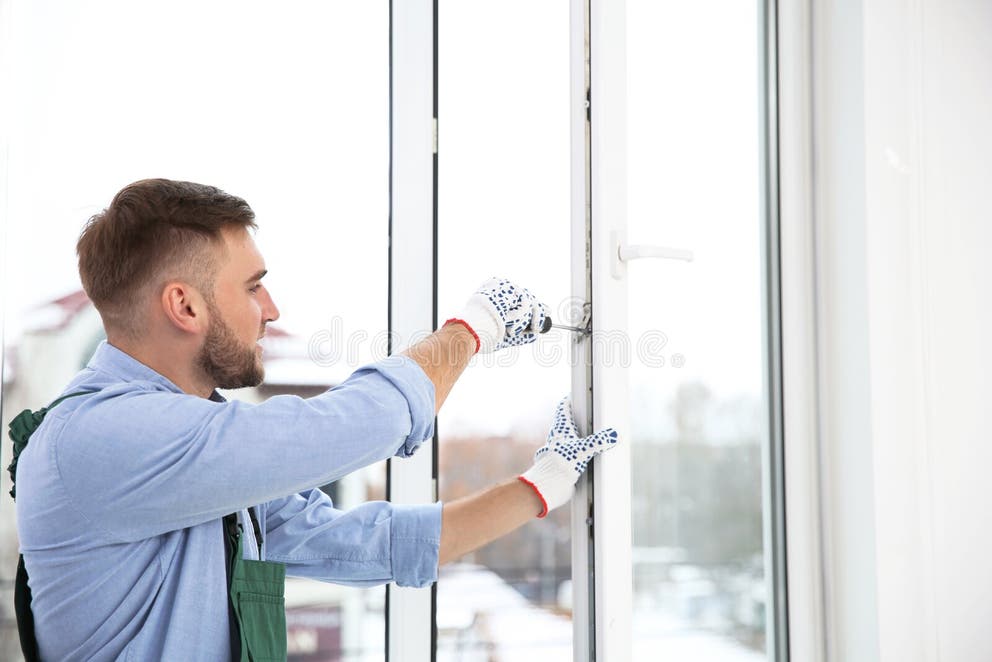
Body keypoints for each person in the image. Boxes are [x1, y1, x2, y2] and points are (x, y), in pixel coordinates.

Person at [12, 178, 619, 660]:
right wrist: (474, 329)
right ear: (185, 305)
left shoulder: (198, 466)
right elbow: (349, 425)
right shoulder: (102, 438)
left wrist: (542, 485)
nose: (271, 310)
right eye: (253, 288)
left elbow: (371, 545)